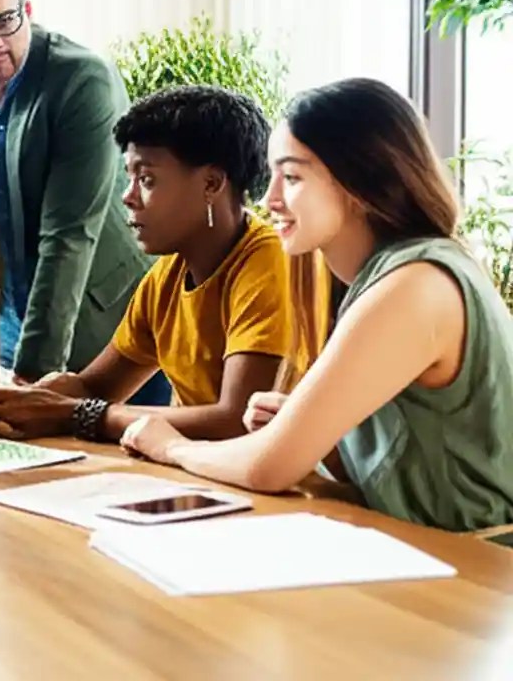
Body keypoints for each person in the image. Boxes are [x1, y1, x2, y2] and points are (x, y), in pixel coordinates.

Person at [121, 78, 513, 533]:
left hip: (477, 565)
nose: (269, 199)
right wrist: (320, 436)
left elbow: (268, 468)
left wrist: (170, 446)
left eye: (291, 177)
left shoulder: (416, 285)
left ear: (359, 182)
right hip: (430, 551)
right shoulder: (385, 276)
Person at [0, 85, 289, 441]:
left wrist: (77, 414)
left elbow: (236, 420)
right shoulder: (166, 276)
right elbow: (94, 387)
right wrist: (12, 402)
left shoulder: (268, 264)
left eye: (146, 179)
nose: (127, 196)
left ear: (211, 184)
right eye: (129, 177)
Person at [0, 0, 162, 401]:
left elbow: (68, 237)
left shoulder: (83, 80)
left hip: (106, 329)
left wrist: (32, 380)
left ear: (28, 10)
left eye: (5, 20)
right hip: (7, 322)